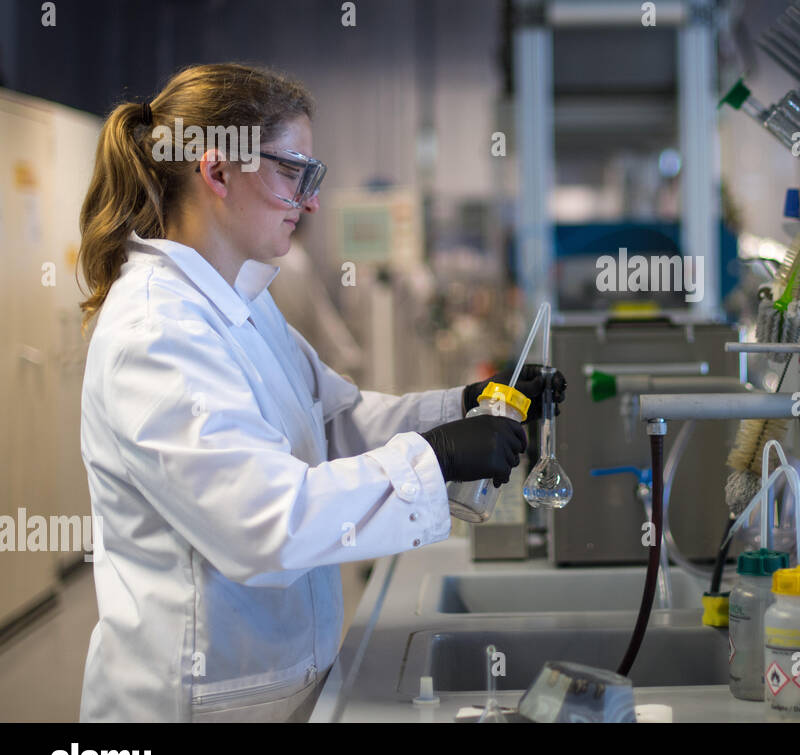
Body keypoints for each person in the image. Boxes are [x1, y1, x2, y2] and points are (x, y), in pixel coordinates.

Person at [76, 62, 565, 721]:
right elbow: (264, 522)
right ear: (217, 172)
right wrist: (437, 457)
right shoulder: (157, 332)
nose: (309, 203)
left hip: (273, 686)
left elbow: (334, 421)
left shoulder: (244, 301)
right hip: (198, 706)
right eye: (293, 173)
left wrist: (467, 405)